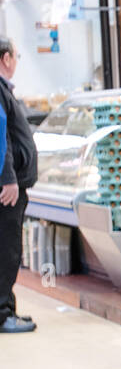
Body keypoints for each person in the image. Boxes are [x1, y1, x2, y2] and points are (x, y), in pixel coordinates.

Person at [0, 37, 38, 334]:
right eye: (16, 56)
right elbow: (1, 138)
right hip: (6, 190)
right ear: (6, 58)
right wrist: (9, 179)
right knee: (7, 249)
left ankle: (6, 308)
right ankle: (2, 314)